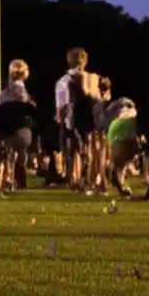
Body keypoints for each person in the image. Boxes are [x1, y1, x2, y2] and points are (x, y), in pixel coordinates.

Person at [54, 47, 101, 192]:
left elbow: (60, 106)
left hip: (72, 118)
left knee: (73, 150)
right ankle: (89, 178)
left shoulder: (63, 81)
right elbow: (98, 98)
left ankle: (74, 178)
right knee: (89, 147)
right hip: (90, 117)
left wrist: (60, 121)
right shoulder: (91, 78)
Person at [0, 59, 35, 192]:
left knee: (8, 152)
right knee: (19, 152)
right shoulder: (24, 94)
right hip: (21, 130)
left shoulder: (3, 94)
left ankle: (7, 179)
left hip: (5, 130)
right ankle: (19, 181)